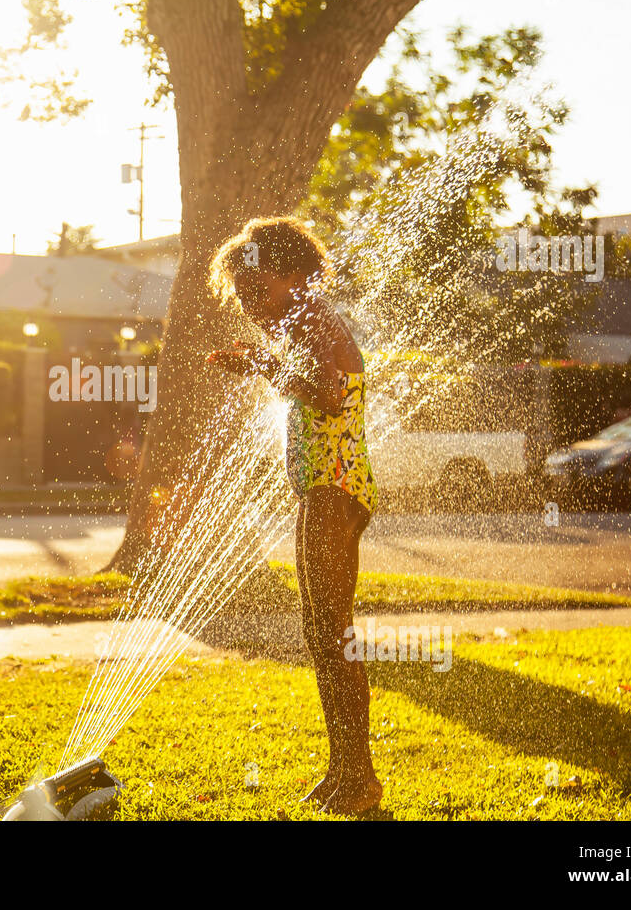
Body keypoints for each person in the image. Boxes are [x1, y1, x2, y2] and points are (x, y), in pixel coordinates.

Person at [206, 216, 382, 815]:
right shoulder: (301, 320)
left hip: (335, 486)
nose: (252, 306)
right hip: (323, 486)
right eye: (243, 296)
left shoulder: (310, 316)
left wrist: (260, 366)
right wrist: (264, 362)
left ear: (294, 276)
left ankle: (358, 780)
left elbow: (330, 393)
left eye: (257, 291)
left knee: (333, 633)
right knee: (323, 634)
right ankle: (344, 772)